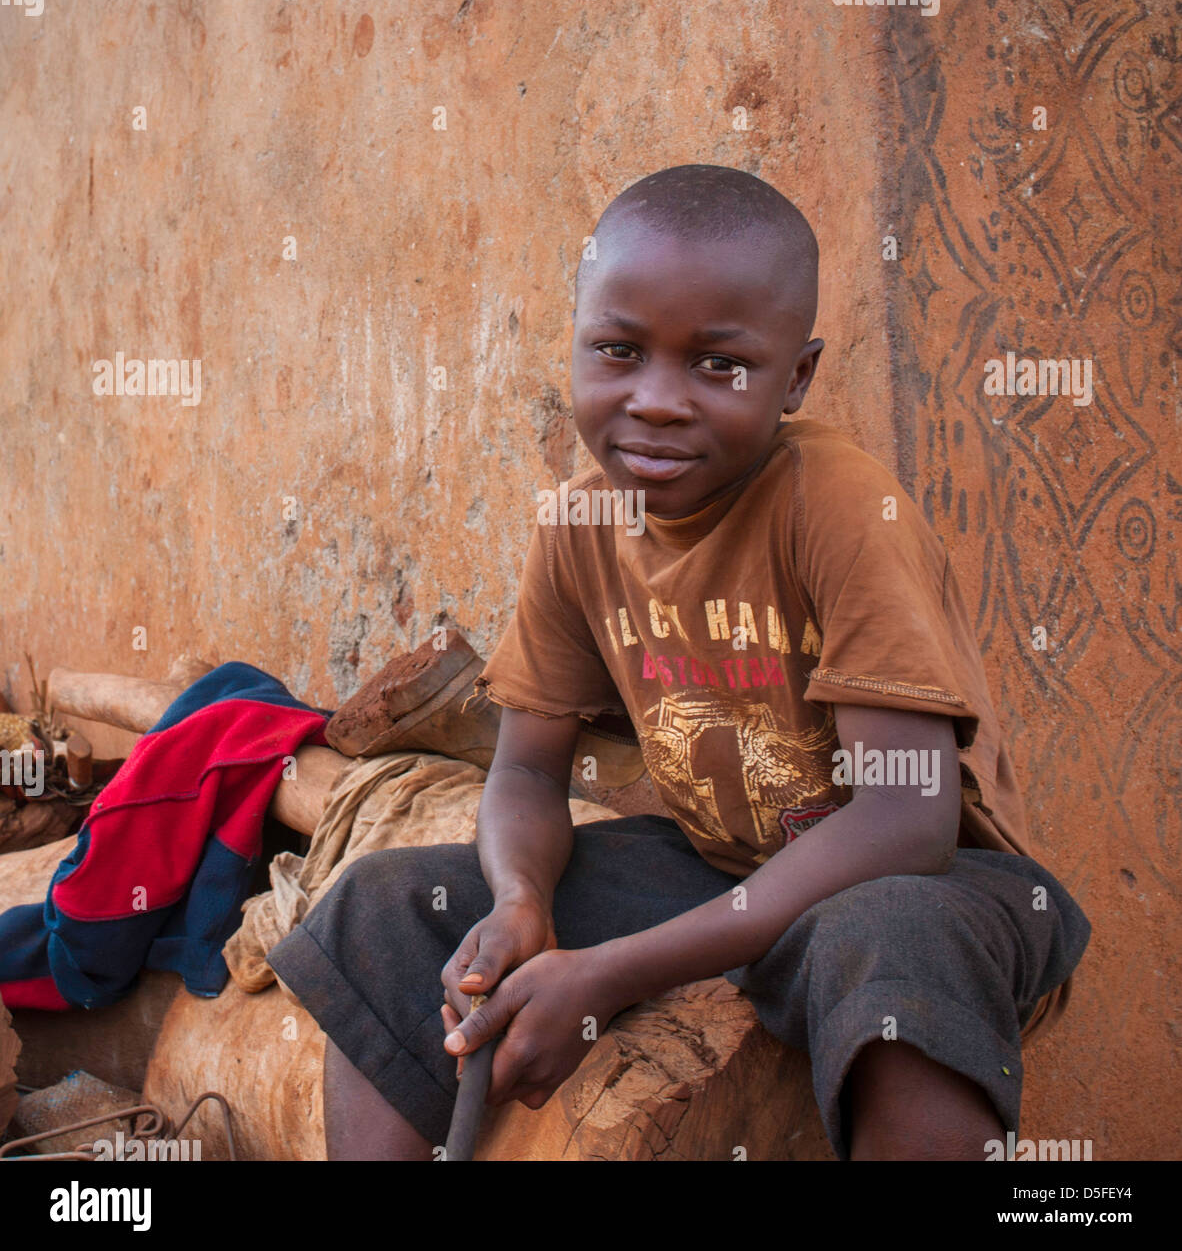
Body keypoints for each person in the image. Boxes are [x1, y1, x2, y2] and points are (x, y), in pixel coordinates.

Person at [268, 163, 1091, 1161]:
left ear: (796, 376)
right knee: (391, 907)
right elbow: (527, 768)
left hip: (926, 880)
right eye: (618, 351)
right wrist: (522, 899)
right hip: (721, 870)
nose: (656, 401)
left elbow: (906, 814)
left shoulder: (838, 507)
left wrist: (609, 970)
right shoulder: (582, 522)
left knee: (895, 945)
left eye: (719, 365)